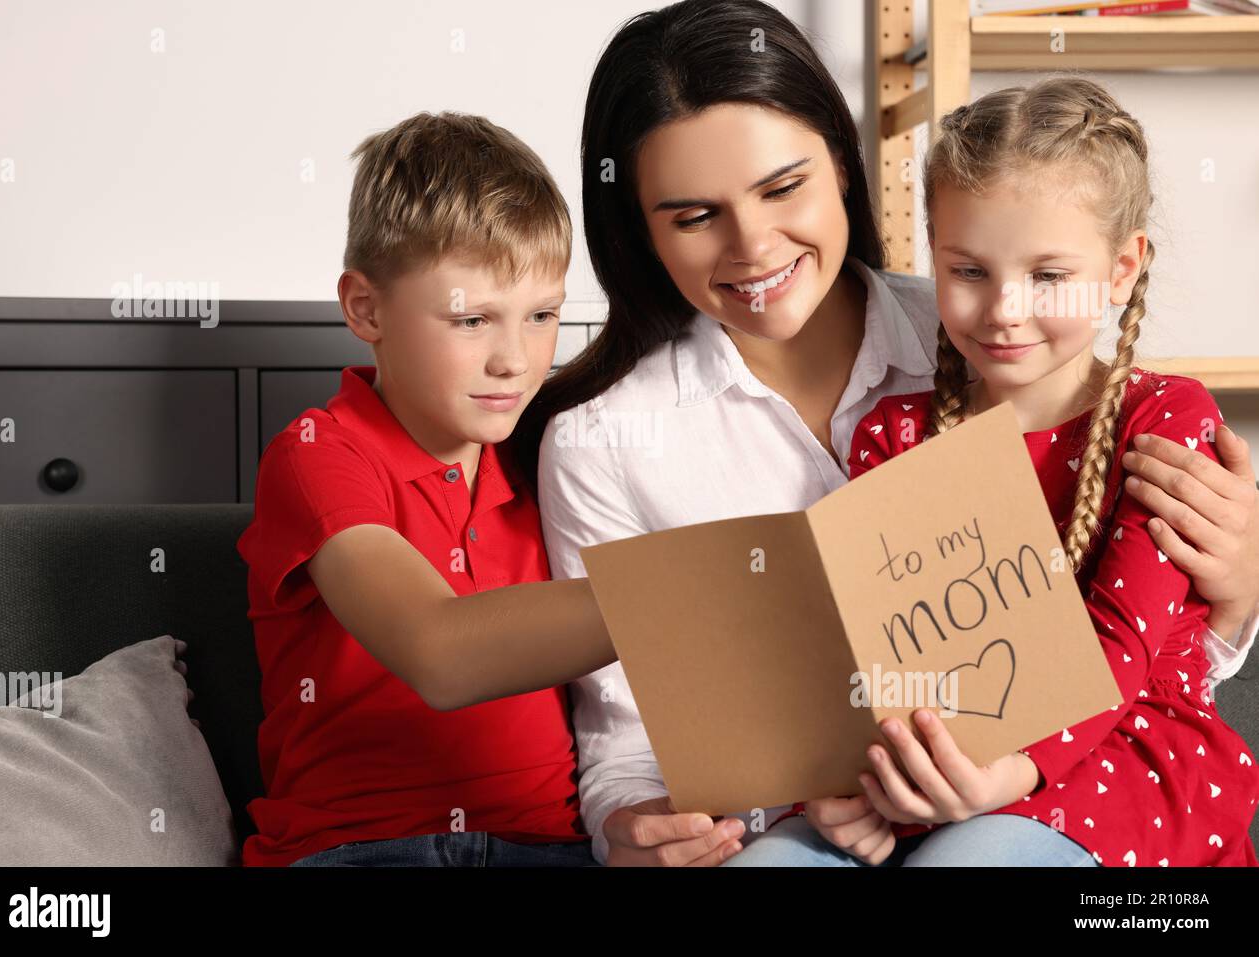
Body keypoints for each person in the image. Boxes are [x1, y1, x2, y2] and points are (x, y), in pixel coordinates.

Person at [520, 0, 1259, 866]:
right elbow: (629, 741)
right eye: (692, 216)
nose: (753, 246)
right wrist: (645, 825)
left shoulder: (984, 334)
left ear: (842, 163)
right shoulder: (606, 443)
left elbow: (1152, 651)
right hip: (867, 802)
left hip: (1082, 789)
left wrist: (1239, 591)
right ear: (639, 231)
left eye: (783, 186)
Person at [725, 76, 1257, 867]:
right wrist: (842, 792)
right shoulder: (892, 433)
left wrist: (1007, 774)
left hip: (1120, 752)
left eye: (1047, 276)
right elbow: (867, 652)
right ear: (932, 256)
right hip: (939, 759)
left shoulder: (1165, 418)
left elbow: (1121, 645)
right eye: (969, 271)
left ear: (1121, 268)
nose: (1005, 308)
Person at [237, 112, 618, 867]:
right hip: (360, 850)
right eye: (472, 319)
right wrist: (694, 595)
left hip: (548, 846)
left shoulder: (551, 451)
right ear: (365, 308)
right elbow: (439, 652)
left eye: (543, 315)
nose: (515, 359)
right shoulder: (318, 454)